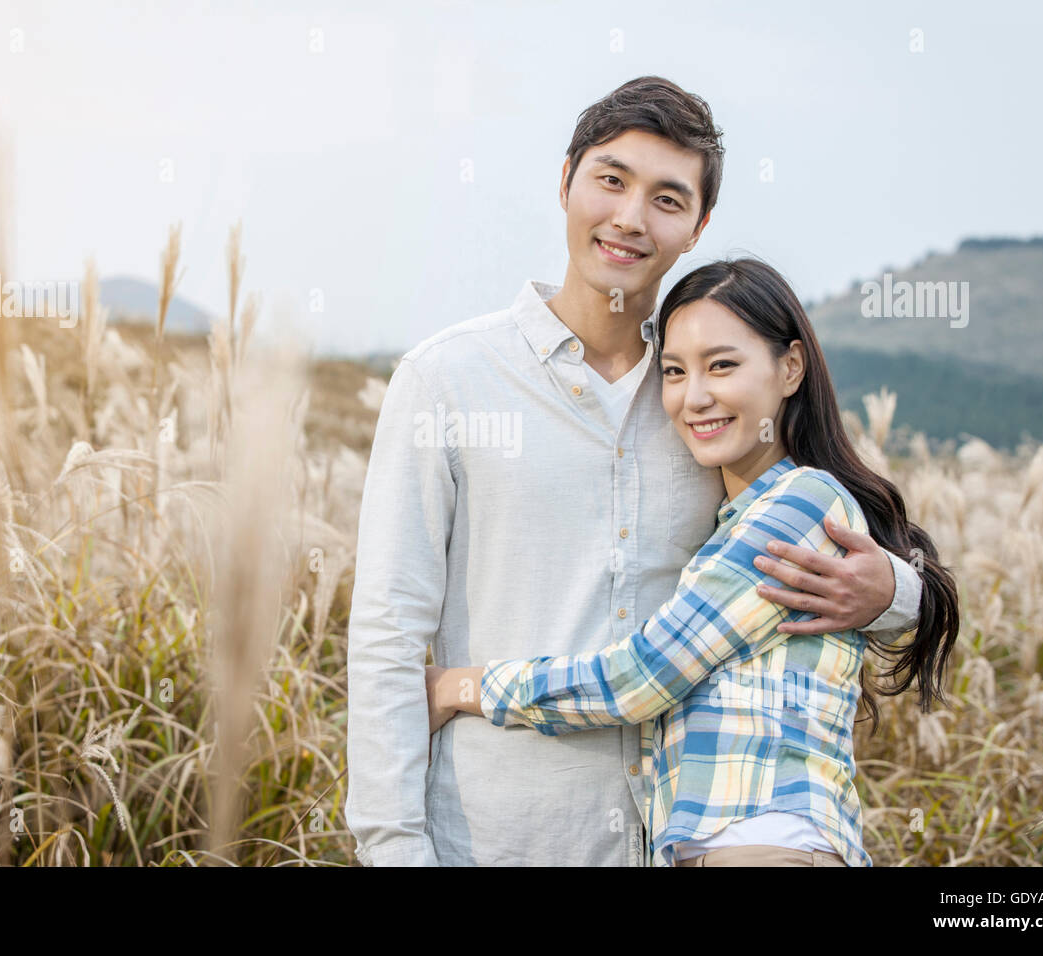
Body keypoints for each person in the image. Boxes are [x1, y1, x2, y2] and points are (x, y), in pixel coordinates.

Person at [345, 76, 923, 867]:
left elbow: (849, 559)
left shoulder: (705, 403)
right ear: (565, 183)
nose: (628, 217)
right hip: (489, 841)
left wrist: (892, 591)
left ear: (697, 226)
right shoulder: (447, 380)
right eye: (611, 180)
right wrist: (393, 849)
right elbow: (388, 635)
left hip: (669, 844)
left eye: (667, 198)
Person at [424, 257, 960, 867]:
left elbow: (639, 679)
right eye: (675, 371)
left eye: (723, 365)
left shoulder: (800, 506)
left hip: (765, 846)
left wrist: (461, 685)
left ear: (790, 368)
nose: (695, 396)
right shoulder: (738, 518)